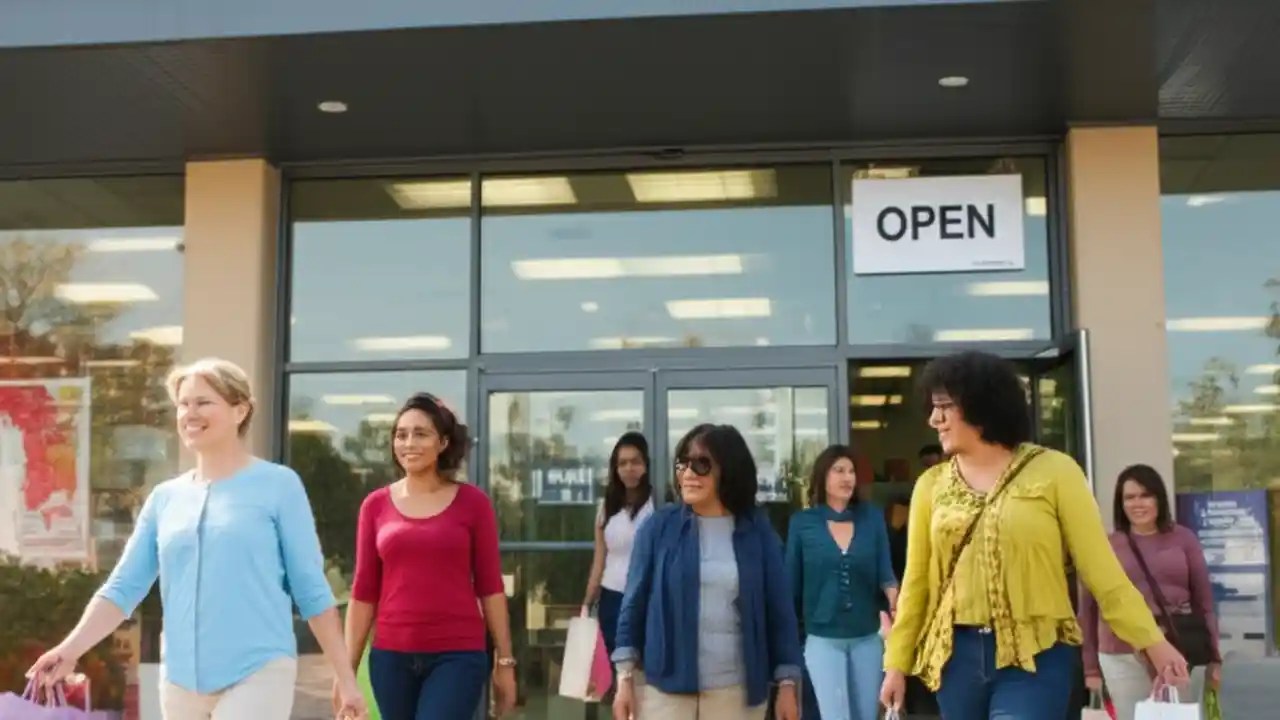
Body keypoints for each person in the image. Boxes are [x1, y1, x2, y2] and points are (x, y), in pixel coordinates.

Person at [26, 358, 367, 720]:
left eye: (203, 402)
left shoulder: (279, 486)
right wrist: (69, 650)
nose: (190, 413)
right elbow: (123, 587)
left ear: (240, 411)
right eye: (183, 404)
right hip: (180, 680)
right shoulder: (165, 497)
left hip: (258, 670)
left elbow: (311, 589)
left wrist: (345, 680)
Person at [879, 351, 1188, 720]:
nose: (935, 419)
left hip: (1036, 655)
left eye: (945, 406)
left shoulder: (1055, 472)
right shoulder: (931, 486)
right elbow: (916, 586)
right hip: (954, 660)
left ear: (982, 406)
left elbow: (1103, 574)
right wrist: (895, 664)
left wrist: (1152, 642)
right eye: (933, 407)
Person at [342, 392, 516, 720]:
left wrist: (504, 661)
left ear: (443, 442)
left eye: (421, 434)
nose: (409, 442)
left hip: (457, 656)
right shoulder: (375, 506)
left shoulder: (473, 504)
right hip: (391, 658)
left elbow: (490, 586)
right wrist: (346, 671)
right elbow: (364, 592)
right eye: (401, 434)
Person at [612, 423, 802, 720]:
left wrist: (788, 683)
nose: (688, 473)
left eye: (701, 464)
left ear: (728, 470)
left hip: (736, 693)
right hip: (665, 690)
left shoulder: (758, 531)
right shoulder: (659, 528)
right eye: (683, 464)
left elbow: (780, 611)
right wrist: (624, 679)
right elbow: (633, 604)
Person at [1079, 464, 1220, 720]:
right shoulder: (1107, 546)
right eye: (1129, 497)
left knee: (1176, 716)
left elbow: (1204, 601)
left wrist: (1215, 657)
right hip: (1121, 652)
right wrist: (1090, 669)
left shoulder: (1183, 539)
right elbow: (1087, 611)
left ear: (1159, 498)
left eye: (1145, 495)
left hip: (1176, 648)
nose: (1138, 504)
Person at [786, 444, 897, 720]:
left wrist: (897, 610)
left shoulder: (871, 518)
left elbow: (885, 572)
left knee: (866, 715)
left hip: (867, 637)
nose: (847, 477)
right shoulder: (803, 523)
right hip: (823, 639)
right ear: (822, 477)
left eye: (851, 471)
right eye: (838, 470)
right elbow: (791, 586)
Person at [582, 432, 655, 656]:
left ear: (646, 465)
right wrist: (587, 602)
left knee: (643, 669)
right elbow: (599, 560)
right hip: (612, 598)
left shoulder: (658, 504)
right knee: (614, 669)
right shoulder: (607, 508)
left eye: (635, 462)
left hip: (648, 598)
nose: (629, 468)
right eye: (622, 463)